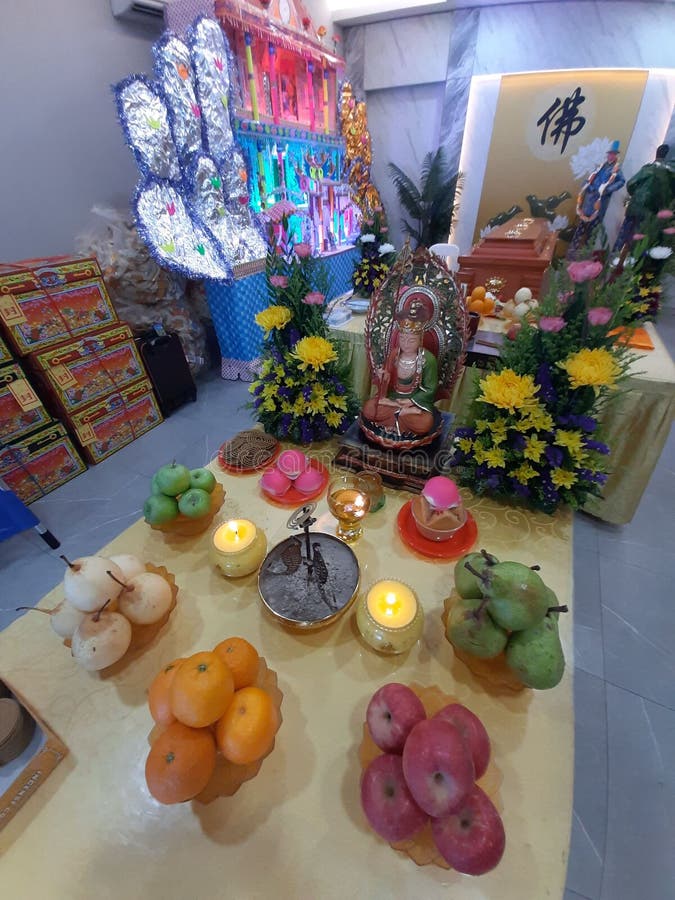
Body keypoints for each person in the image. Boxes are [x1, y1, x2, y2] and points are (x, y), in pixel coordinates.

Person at [361, 306, 438, 436]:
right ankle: (399, 416)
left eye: (412, 340)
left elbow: (431, 389)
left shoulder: (428, 360)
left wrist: (412, 401)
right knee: (369, 408)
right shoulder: (394, 354)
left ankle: (396, 419)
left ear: (420, 339)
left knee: (425, 422)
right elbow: (386, 385)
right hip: (393, 400)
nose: (406, 344)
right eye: (402, 338)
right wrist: (383, 378)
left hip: (415, 404)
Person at [613, 144, 675, 250]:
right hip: (650, 212)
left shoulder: (648, 168)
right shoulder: (669, 173)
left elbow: (631, 184)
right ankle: (623, 264)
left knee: (622, 238)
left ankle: (611, 262)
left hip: (634, 207)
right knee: (635, 244)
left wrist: (637, 195)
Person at [569, 140, 626, 254]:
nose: (610, 156)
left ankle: (585, 255)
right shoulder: (600, 166)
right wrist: (585, 185)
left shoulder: (616, 170)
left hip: (600, 203)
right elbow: (590, 178)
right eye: (609, 153)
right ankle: (572, 253)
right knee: (580, 229)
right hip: (588, 200)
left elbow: (621, 181)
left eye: (613, 154)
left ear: (615, 155)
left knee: (592, 232)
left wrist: (608, 190)